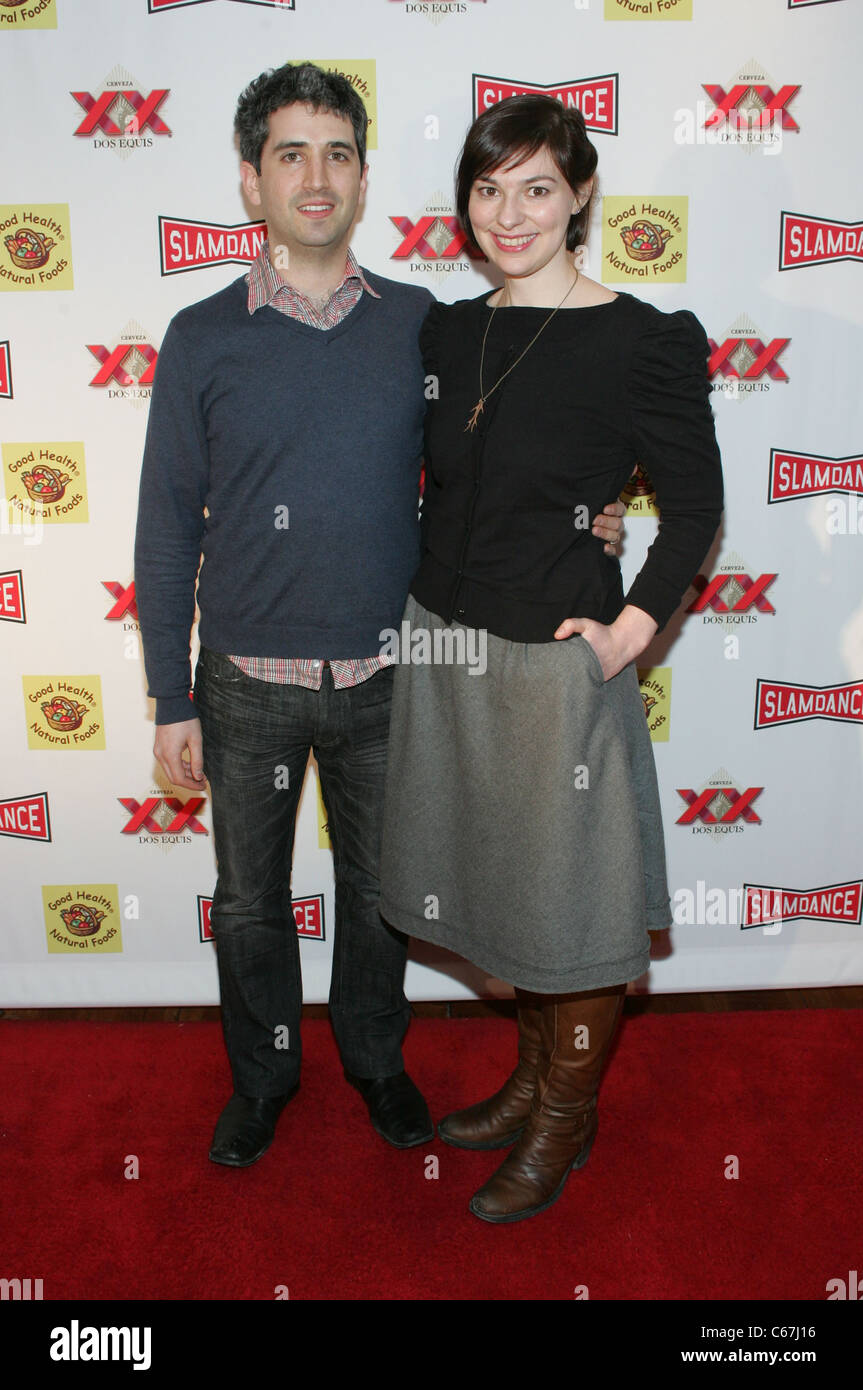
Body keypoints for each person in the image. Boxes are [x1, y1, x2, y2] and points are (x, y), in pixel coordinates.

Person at [133, 64, 626, 1170]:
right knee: (251, 906)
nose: (317, 175)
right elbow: (166, 525)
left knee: (379, 894)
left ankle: (373, 1060)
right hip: (246, 682)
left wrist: (589, 526)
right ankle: (261, 1079)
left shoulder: (425, 328)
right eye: (291, 154)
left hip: (390, 674)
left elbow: (506, 460)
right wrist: (172, 692)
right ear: (251, 183)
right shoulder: (200, 335)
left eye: (338, 152)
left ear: (363, 179)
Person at [378, 94, 724, 1223]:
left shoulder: (639, 339)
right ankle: (529, 1082)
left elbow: (694, 507)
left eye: (534, 187)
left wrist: (633, 626)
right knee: (501, 890)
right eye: (486, 189)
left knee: (570, 910)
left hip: (551, 664)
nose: (507, 212)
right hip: (444, 646)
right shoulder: (444, 329)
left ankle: (565, 1122)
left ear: (580, 194)